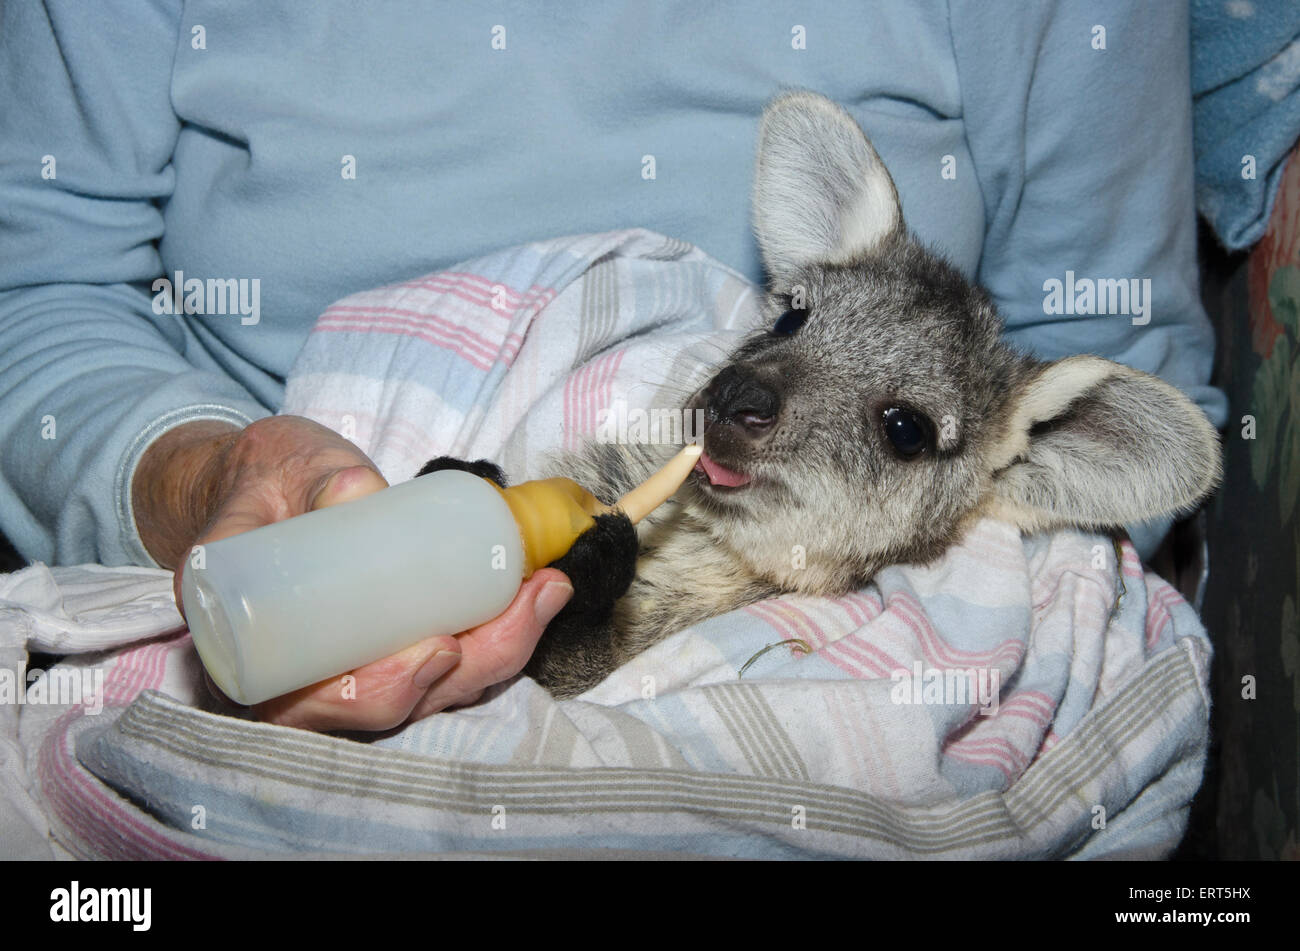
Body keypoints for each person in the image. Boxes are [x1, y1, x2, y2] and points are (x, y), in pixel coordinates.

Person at [0, 2, 1226, 732]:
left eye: (901, 424)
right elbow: (38, 283)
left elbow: (1113, 341)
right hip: (293, 508)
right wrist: (204, 474)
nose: (755, 402)